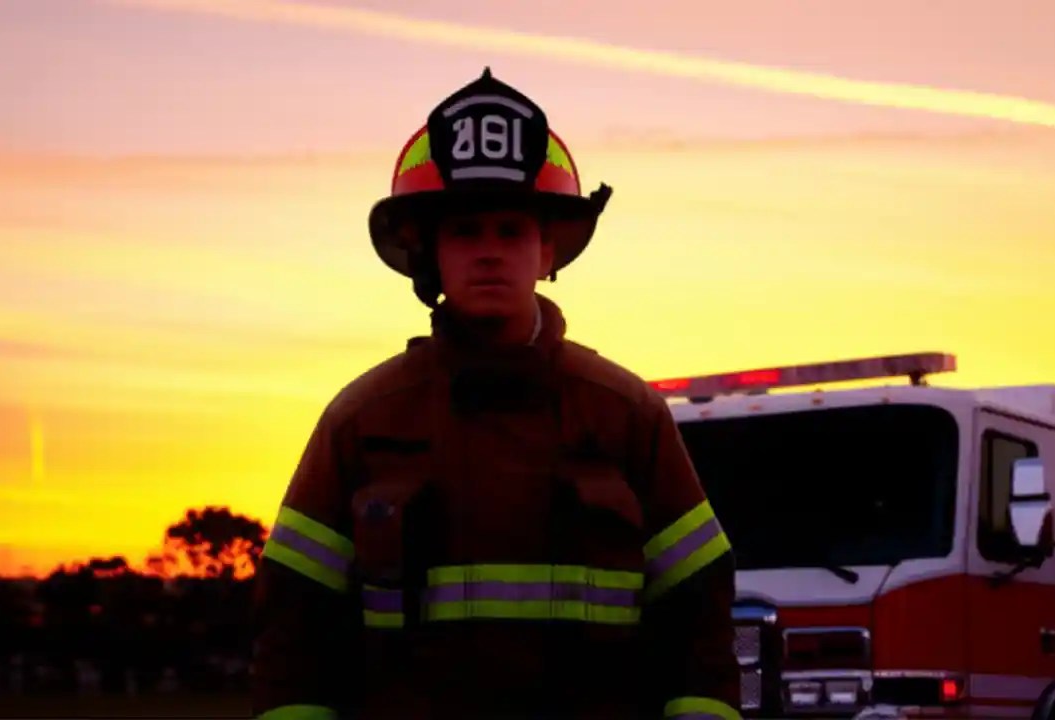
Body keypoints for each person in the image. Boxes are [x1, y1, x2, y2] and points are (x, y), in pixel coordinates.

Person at [250, 68, 741, 720]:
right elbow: (295, 639)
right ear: (429, 254)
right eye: (466, 230)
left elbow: (698, 622)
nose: (489, 252)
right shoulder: (361, 422)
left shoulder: (628, 417)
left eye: (511, 230)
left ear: (547, 251)